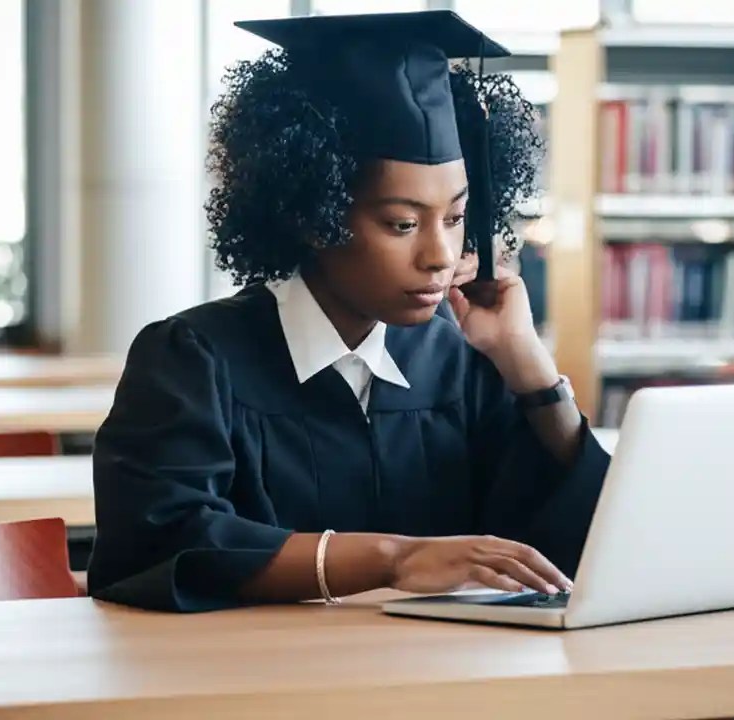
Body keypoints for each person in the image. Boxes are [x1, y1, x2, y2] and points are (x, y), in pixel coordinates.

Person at [87, 10, 611, 613]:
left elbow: (576, 548)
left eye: (457, 217)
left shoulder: (459, 361)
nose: (440, 255)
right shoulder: (194, 359)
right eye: (403, 223)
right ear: (315, 214)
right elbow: (160, 543)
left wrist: (531, 371)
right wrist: (395, 558)